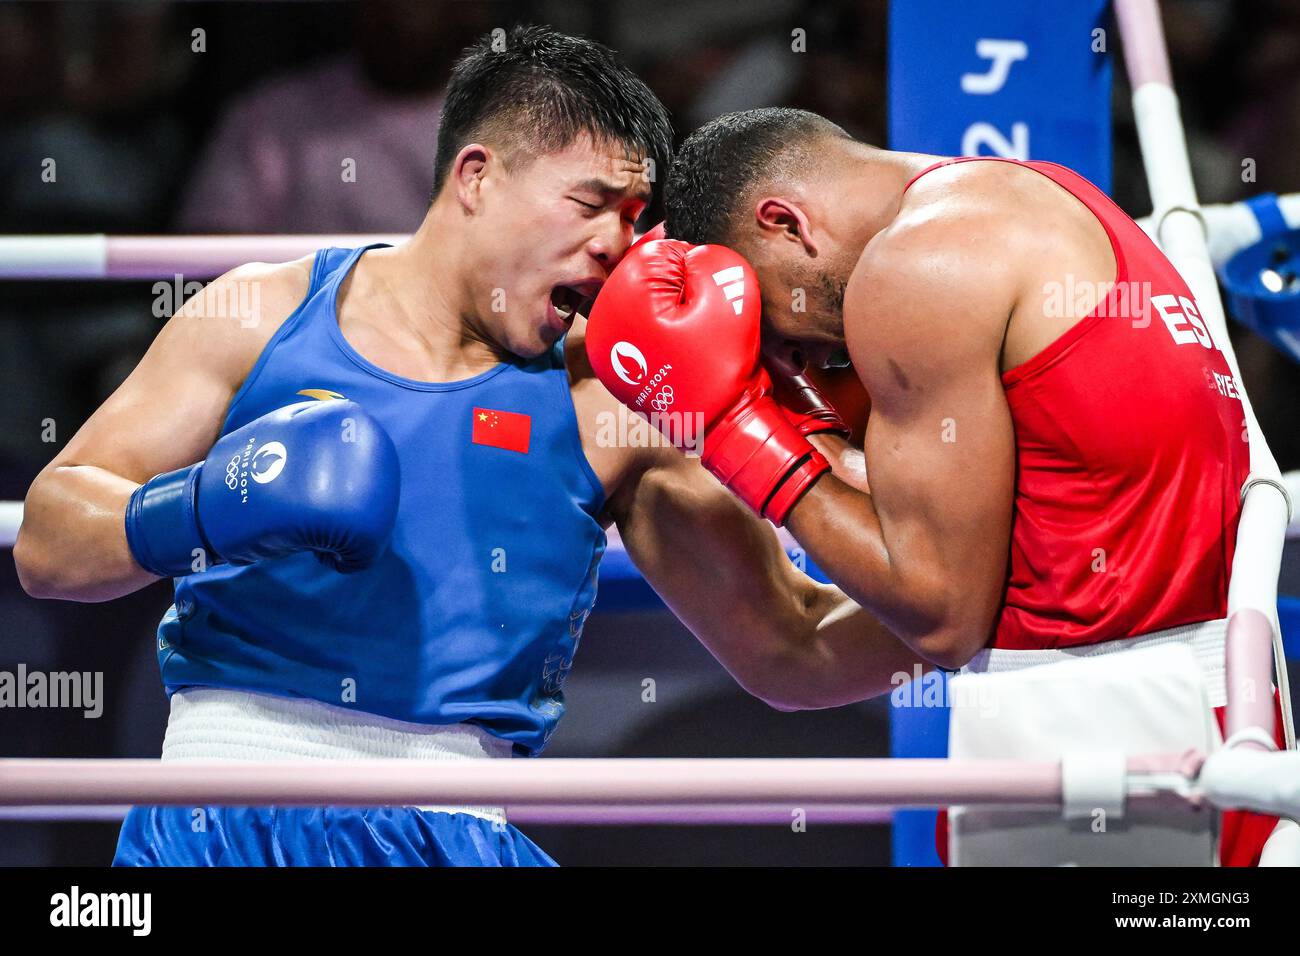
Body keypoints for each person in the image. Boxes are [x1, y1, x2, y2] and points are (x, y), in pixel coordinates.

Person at [13, 33, 917, 867]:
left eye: (638, 220)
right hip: (219, 811)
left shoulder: (621, 401)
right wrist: (205, 509)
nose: (618, 246)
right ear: (476, 177)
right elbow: (50, 543)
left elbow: (794, 646)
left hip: (454, 828)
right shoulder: (261, 315)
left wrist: (983, 605)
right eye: (592, 205)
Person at [586, 106, 1284, 865]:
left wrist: (730, 422)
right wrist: (787, 412)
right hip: (1208, 712)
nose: (796, 356)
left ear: (784, 221)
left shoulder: (915, 265)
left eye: (769, 323)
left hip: (1097, 740)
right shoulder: (1051, 198)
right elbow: (806, 645)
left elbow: (940, 616)